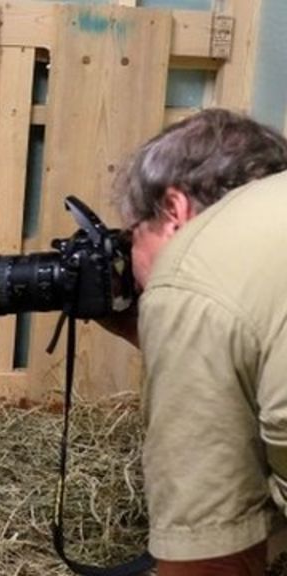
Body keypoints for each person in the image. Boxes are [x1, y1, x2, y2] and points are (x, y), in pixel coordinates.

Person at [104, 108, 287, 575]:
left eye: (133, 237)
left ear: (173, 211)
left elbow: (212, 563)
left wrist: (170, 303)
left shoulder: (191, 271)